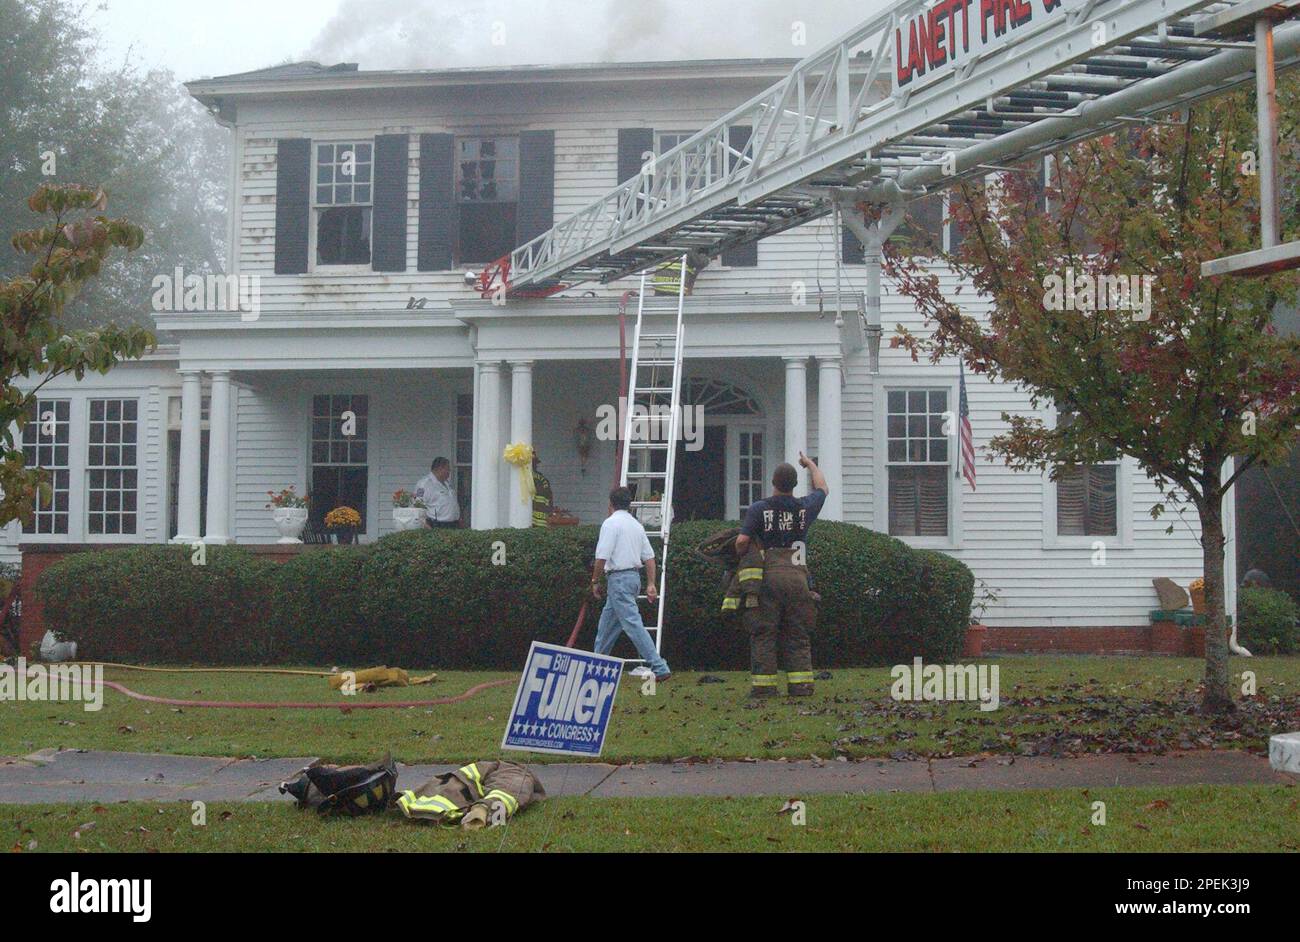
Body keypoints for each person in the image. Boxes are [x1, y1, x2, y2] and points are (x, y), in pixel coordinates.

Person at [734, 452, 827, 699]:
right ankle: (801, 686)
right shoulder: (805, 508)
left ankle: (764, 688)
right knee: (798, 632)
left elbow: (742, 541)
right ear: (794, 485)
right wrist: (810, 464)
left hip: (769, 578)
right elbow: (823, 488)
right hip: (799, 578)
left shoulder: (758, 509)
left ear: (773, 483)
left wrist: (741, 552)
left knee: (764, 632)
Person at [591, 486, 672, 682]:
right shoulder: (636, 525)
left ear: (610, 504)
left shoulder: (610, 524)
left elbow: (602, 557)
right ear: (630, 504)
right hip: (633, 579)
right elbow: (650, 558)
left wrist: (595, 580)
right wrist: (651, 584)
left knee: (633, 625)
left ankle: (659, 666)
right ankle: (595, 665)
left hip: (618, 579)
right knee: (607, 625)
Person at [414, 457, 461, 529]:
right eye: (447, 469)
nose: (449, 471)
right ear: (439, 468)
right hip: (437, 525)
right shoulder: (424, 484)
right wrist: (424, 524)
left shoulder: (447, 483)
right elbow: (418, 504)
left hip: (453, 524)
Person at [532, 453, 553, 528]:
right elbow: (549, 499)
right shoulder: (542, 479)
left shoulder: (525, 478)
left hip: (530, 519)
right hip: (541, 521)